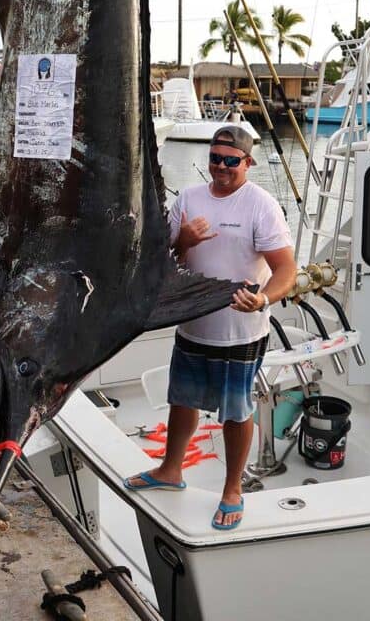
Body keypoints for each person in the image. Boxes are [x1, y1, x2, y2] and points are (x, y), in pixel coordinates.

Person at [123, 126, 296, 530]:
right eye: (215, 158)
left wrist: (264, 299)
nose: (221, 166)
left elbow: (286, 268)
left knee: (236, 412)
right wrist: (181, 239)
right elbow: (167, 259)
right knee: (182, 400)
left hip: (241, 330)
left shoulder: (261, 205)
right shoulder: (189, 198)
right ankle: (170, 469)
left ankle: (232, 488)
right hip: (192, 325)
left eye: (231, 160)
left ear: (247, 162)